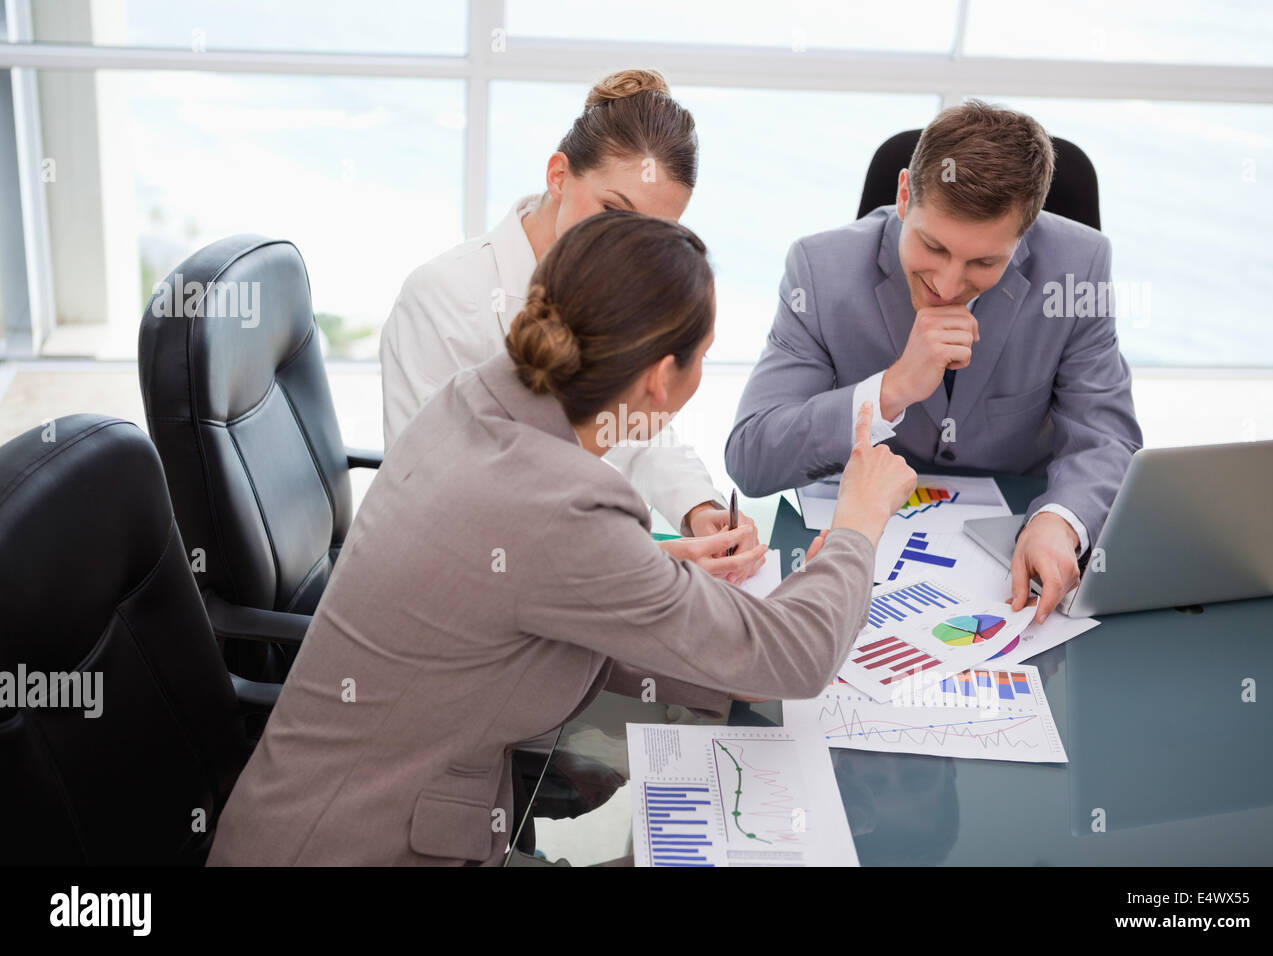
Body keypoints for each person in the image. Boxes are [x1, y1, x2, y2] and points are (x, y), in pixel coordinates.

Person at [206, 211, 916, 866]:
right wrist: (858, 523)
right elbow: (792, 658)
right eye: (701, 356)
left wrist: (647, 565)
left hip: (307, 811)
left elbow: (502, 566)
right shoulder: (565, 504)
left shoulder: (471, 399)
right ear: (662, 379)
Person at [725, 99, 1143, 624]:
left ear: (1027, 229)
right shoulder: (819, 270)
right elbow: (752, 456)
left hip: (1011, 548)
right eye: (933, 246)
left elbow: (1106, 437)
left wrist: (1059, 522)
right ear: (903, 195)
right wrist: (891, 389)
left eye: (985, 261)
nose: (947, 285)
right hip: (861, 551)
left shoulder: (1078, 267)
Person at [381, 68, 761, 582]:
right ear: (558, 175)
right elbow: (438, 508)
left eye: (651, 231)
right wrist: (646, 561)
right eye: (611, 209)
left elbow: (632, 423)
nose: (624, 242)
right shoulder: (445, 296)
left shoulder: (617, 286)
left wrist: (698, 509)